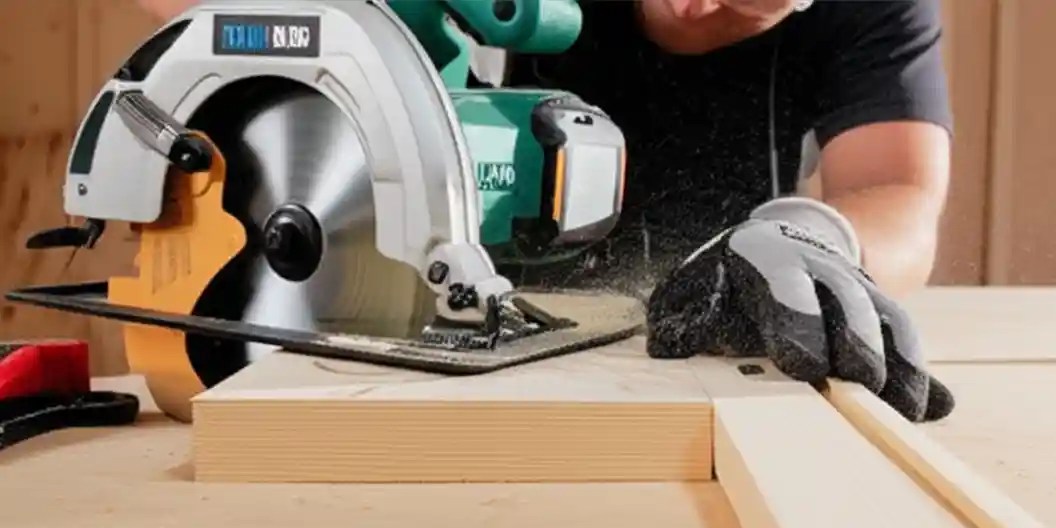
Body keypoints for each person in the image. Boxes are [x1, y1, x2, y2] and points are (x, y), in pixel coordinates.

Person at [134, 0, 955, 422]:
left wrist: (809, 236)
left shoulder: (877, 9)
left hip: (706, 358)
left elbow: (901, 193)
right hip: (445, 321)